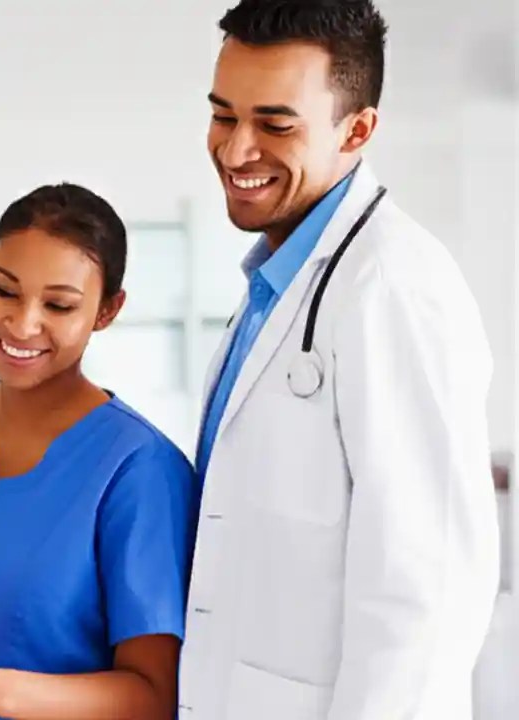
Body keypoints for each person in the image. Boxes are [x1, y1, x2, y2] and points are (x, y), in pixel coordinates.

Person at [179, 1, 499, 718]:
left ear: (357, 130)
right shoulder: (275, 288)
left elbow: (427, 595)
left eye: (275, 124)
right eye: (224, 115)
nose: (235, 151)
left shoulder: (393, 286)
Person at [0, 183, 200, 719]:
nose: (22, 324)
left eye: (59, 305)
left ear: (107, 311)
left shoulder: (140, 469)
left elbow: (153, 697)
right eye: (4, 290)